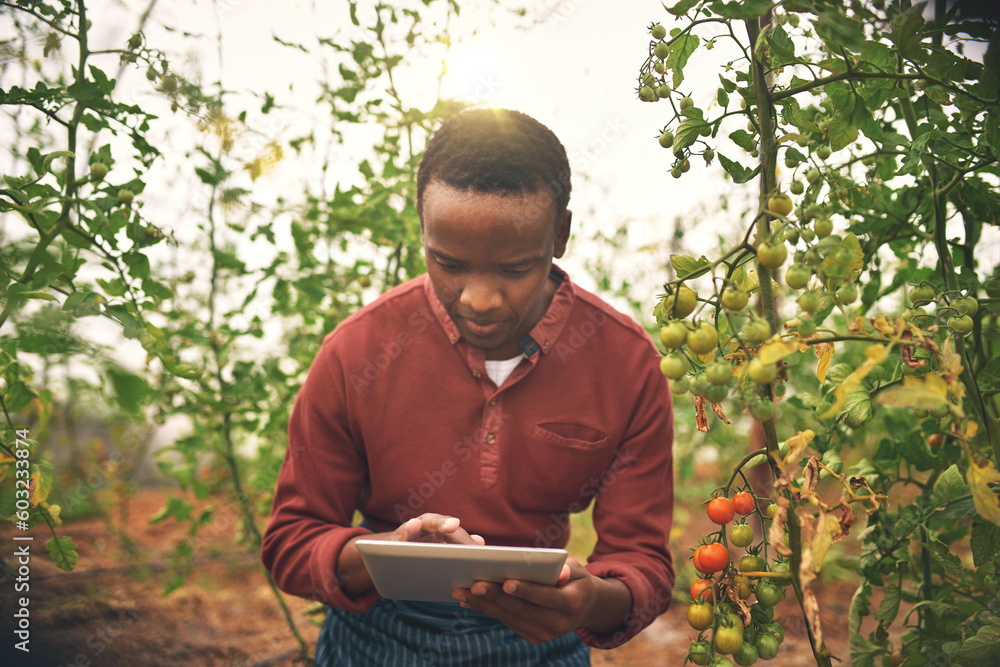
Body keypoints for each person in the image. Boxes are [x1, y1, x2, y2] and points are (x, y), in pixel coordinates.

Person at [261, 107, 675, 666]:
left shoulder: (626, 366)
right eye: (448, 262)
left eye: (513, 269)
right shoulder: (356, 353)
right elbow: (289, 542)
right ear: (421, 227)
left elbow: (641, 561)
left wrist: (589, 601)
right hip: (375, 644)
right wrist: (387, 555)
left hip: (540, 646)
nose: (478, 299)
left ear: (560, 235)